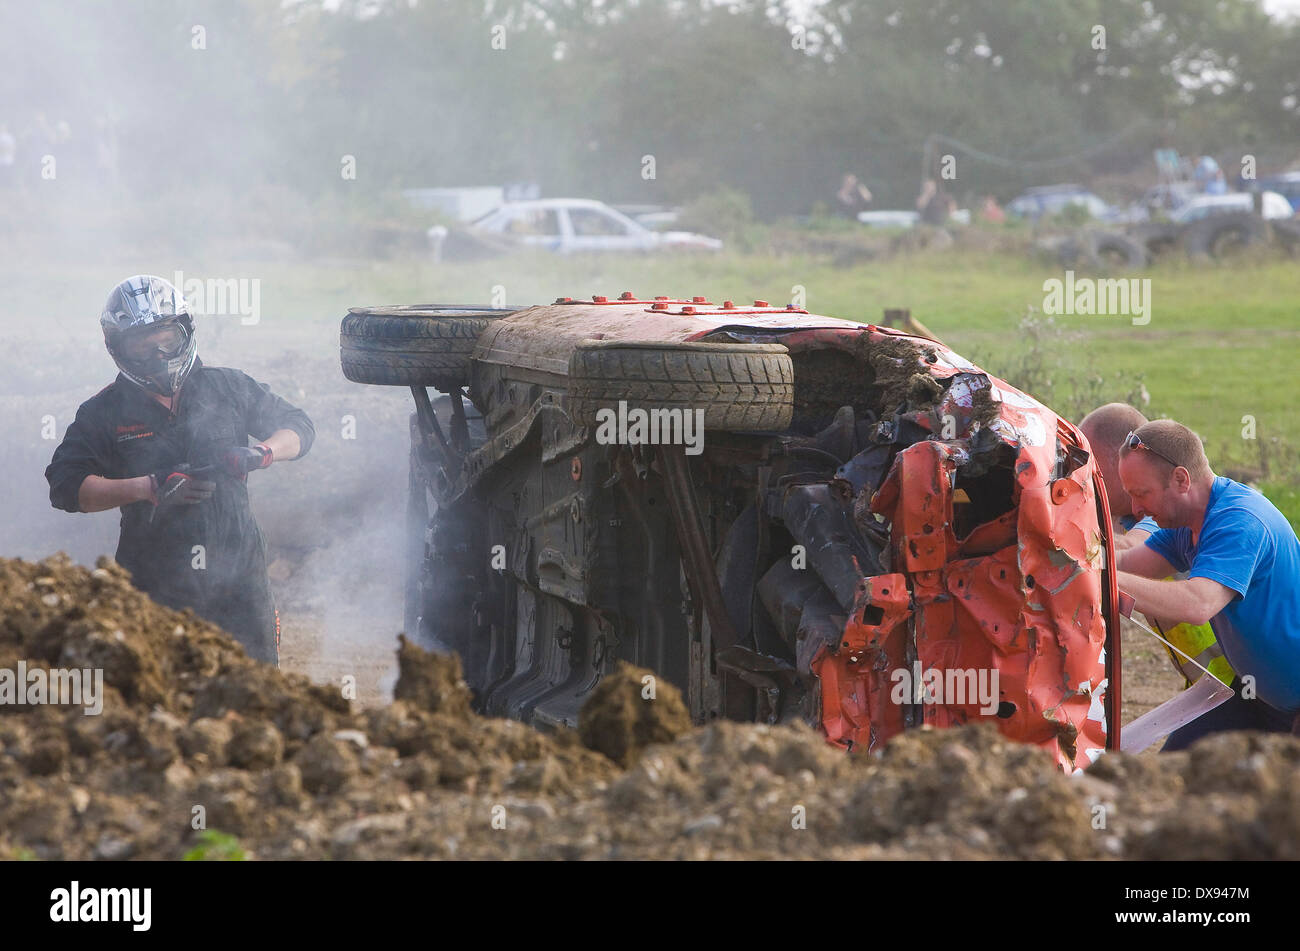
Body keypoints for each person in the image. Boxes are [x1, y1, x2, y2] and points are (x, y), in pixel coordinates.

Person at [45, 276, 314, 665]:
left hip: (240, 575)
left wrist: (261, 453)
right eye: (141, 342)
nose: (156, 352)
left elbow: (300, 427)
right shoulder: (102, 412)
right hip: (154, 583)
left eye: (165, 338)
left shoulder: (229, 387)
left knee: (258, 696)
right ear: (117, 348)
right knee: (160, 700)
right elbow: (65, 487)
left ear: (184, 332)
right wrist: (149, 487)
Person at [1116, 420, 1300, 748]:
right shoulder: (1188, 524)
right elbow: (1130, 563)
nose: (1136, 509)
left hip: (1290, 707)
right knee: (1175, 775)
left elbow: (1197, 603)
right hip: (1255, 695)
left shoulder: (1240, 521)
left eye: (1142, 494)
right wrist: (1067, 555)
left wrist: (1101, 579)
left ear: (1181, 479)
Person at [1080, 404, 1233, 688]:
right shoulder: (1129, 514)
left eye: (1092, 467)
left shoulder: (1160, 516)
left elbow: (1129, 549)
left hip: (1235, 680)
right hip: (1210, 682)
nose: (1086, 479)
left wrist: (1071, 547)